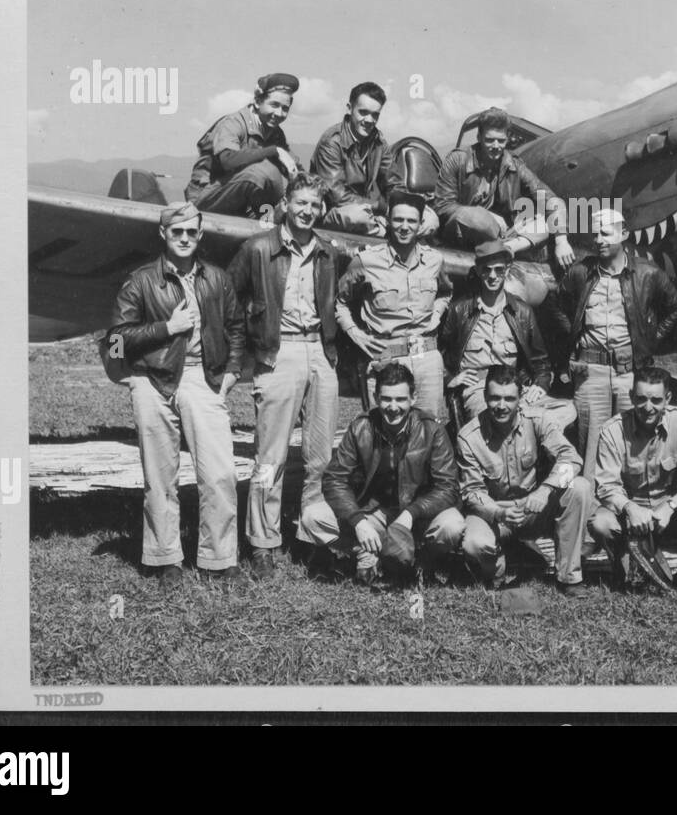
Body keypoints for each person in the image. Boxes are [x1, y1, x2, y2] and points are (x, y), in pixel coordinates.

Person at [106, 202, 245, 586]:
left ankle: (220, 558)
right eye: (177, 232)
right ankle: (165, 557)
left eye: (192, 232)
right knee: (160, 475)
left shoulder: (217, 279)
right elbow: (116, 338)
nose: (184, 239)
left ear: (200, 235)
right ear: (163, 235)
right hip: (151, 379)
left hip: (202, 378)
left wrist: (232, 371)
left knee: (219, 474)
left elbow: (236, 327)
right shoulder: (140, 281)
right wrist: (166, 328)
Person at [227, 173, 341, 580]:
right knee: (269, 456)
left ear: (321, 209)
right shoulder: (258, 249)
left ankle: (313, 536)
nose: (307, 211)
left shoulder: (328, 252)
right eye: (301, 203)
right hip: (280, 352)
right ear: (286, 204)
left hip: (321, 353)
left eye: (314, 204)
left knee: (321, 456)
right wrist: (243, 352)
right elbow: (229, 299)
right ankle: (262, 542)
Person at [549, 208, 677, 479]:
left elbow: (675, 307)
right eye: (595, 233)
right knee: (591, 447)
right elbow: (555, 305)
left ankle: (631, 511)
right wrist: (575, 334)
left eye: (605, 233)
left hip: (629, 373)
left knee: (632, 442)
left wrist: (649, 341)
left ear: (623, 235)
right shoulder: (580, 272)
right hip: (591, 374)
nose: (598, 239)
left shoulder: (647, 273)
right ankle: (592, 515)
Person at [306, 363, 464, 584]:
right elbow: (334, 480)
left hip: (418, 517)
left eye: (400, 399)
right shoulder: (360, 428)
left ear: (413, 398)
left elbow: (448, 487)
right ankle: (366, 550)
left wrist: (411, 514)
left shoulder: (432, 430)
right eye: (386, 399)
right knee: (313, 516)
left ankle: (421, 559)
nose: (393, 407)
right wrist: (358, 521)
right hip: (374, 514)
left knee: (453, 525)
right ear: (375, 397)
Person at [589, 365, 677, 591]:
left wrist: (671, 506)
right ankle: (626, 574)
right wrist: (630, 508)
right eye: (641, 399)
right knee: (601, 522)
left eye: (656, 400)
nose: (648, 407)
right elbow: (606, 486)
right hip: (629, 517)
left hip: (669, 514)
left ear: (668, 398)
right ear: (631, 397)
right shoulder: (612, 430)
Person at [455, 368, 591, 598]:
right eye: (495, 398)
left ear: (520, 399)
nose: (501, 405)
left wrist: (546, 490)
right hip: (494, 513)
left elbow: (572, 459)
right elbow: (472, 492)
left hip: (534, 508)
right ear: (485, 398)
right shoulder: (469, 437)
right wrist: (498, 512)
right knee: (475, 544)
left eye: (509, 398)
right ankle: (500, 569)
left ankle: (569, 577)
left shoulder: (538, 419)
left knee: (579, 487)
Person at [336, 190, 451, 422]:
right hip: (385, 357)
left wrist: (437, 312)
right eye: (398, 219)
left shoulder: (434, 260)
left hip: (426, 358)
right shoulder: (366, 261)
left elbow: (445, 292)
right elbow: (341, 302)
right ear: (388, 221)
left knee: (427, 429)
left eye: (411, 221)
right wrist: (355, 333)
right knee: (383, 430)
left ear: (420, 225)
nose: (404, 226)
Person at [438, 240, 575, 430]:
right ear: (477, 270)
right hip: (479, 389)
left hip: (514, 385)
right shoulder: (459, 310)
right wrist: (450, 378)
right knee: (494, 420)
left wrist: (541, 385)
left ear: (508, 269)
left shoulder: (522, 311)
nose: (492, 276)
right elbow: (439, 352)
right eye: (486, 270)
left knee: (567, 410)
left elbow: (541, 361)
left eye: (499, 270)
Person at [433, 106, 575, 268]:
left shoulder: (514, 164)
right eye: (489, 140)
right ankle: (499, 246)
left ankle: (505, 249)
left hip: (505, 234)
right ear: (479, 137)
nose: (496, 146)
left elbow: (549, 199)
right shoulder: (458, 159)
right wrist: (486, 216)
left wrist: (562, 241)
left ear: (507, 139)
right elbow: (442, 206)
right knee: (479, 219)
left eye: (501, 141)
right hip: (464, 231)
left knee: (547, 222)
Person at [309, 80, 439, 237]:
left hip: (373, 211)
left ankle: (393, 229)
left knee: (429, 217)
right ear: (350, 109)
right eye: (363, 112)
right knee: (358, 217)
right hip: (337, 211)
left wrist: (403, 206)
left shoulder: (378, 142)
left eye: (375, 114)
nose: (369, 120)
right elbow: (338, 196)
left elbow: (394, 183)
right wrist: (381, 207)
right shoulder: (331, 142)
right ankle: (396, 233)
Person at [186, 73, 302, 218]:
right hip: (206, 198)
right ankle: (271, 219)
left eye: (285, 108)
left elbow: (295, 169)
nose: (279, 113)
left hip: (242, 203)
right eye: (274, 105)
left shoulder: (275, 133)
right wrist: (274, 151)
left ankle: (272, 220)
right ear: (258, 101)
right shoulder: (233, 123)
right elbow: (228, 160)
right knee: (261, 172)